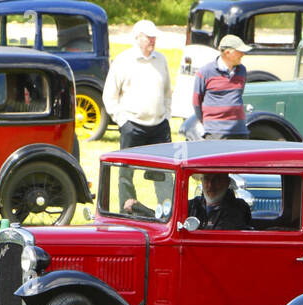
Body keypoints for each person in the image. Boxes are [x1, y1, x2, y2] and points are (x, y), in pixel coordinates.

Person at [104, 19, 171, 150]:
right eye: (148, 37)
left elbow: (168, 93)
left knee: (159, 169)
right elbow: (109, 95)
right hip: (132, 126)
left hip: (159, 127)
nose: (152, 40)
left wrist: (166, 117)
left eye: (154, 37)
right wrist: (123, 122)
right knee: (126, 168)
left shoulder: (161, 60)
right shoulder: (123, 60)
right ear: (137, 37)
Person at [193, 34, 250, 139]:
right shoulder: (205, 72)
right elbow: (197, 102)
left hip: (239, 130)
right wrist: (209, 123)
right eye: (239, 51)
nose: (243, 54)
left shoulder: (242, 70)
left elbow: (238, 95)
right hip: (215, 131)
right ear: (227, 53)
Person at [187, 173, 251, 229]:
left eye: (217, 179)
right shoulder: (192, 205)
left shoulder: (239, 207)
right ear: (202, 181)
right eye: (207, 179)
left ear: (227, 182)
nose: (210, 185)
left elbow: (228, 229)